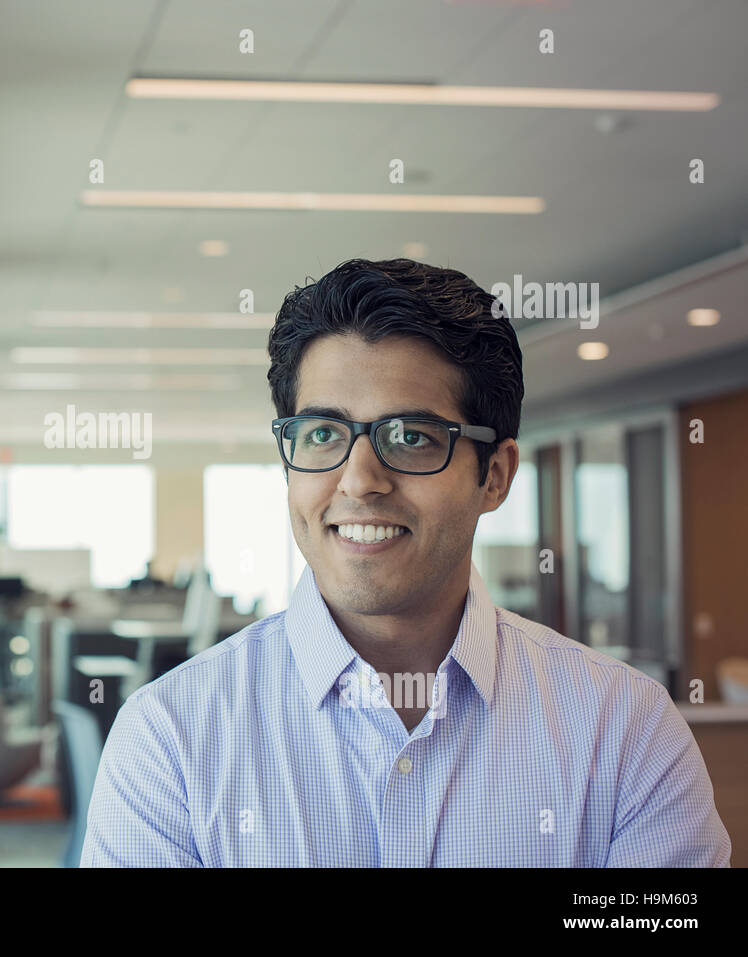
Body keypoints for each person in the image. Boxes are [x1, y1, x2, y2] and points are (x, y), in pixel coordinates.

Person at [80, 258, 731, 866]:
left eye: (412, 437)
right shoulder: (172, 737)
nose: (358, 480)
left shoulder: (625, 732)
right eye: (323, 434)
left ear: (495, 475)